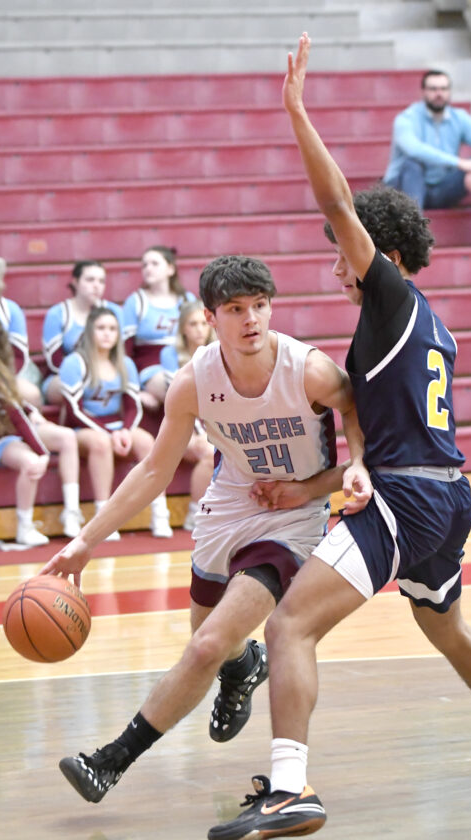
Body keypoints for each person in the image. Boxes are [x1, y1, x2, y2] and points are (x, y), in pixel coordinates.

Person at [208, 34, 471, 840]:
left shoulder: (390, 297)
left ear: (383, 253)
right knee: (446, 625)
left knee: (289, 624)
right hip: (444, 496)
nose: (335, 268)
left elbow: (336, 206)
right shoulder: (434, 326)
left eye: (345, 256)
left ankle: (290, 789)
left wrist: (295, 111)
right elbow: (388, 430)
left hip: (410, 499)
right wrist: (314, 488)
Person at [39, 254, 370, 809]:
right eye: (235, 309)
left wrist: (339, 474)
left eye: (260, 306)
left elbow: (358, 414)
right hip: (229, 506)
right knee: (215, 642)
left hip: (292, 517)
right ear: (210, 318)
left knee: (205, 645)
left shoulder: (308, 368)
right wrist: (84, 543)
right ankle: (244, 668)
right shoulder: (193, 382)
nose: (251, 320)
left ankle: (110, 762)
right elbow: (152, 470)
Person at [58, 306, 172, 541]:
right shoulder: (74, 363)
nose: (107, 334)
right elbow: (73, 411)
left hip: (117, 426)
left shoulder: (125, 363)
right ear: (89, 331)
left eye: (112, 329)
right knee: (100, 443)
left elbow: (132, 406)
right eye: (101, 328)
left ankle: (160, 512)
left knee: (147, 441)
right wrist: (110, 433)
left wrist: (126, 431)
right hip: (84, 427)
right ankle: (103, 515)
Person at [383, 69, 471, 248]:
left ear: (449, 92)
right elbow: (414, 149)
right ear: (423, 92)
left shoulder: (459, 117)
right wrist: (461, 163)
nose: (438, 94)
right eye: (433, 89)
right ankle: (415, 236)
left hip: (443, 189)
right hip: (405, 188)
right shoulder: (406, 118)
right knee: (412, 164)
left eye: (443, 89)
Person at [0, 314, 83, 546]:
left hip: (12, 428)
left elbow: (16, 408)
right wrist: (41, 451)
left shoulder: (2, 367)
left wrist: (32, 411)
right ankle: (24, 525)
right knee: (33, 462)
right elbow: (14, 415)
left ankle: (71, 512)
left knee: (66, 437)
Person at [159, 299, 216, 531]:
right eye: (193, 324)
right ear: (183, 328)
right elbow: (179, 400)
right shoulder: (170, 355)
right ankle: (195, 512)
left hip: (211, 426)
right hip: (180, 428)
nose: (200, 329)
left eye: (203, 323)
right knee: (210, 453)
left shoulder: (218, 352)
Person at [122, 245, 196, 409]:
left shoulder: (186, 299)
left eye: (155, 264)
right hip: (151, 367)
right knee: (177, 388)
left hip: (184, 360)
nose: (148, 269)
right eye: (145, 265)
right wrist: (135, 389)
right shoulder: (136, 302)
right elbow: (124, 351)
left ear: (170, 269)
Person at [42, 260, 123, 405]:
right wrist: (84, 373)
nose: (96, 285)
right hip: (63, 374)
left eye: (101, 281)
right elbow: (54, 361)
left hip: (105, 372)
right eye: (90, 280)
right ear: (75, 282)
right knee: (68, 385)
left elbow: (121, 352)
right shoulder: (58, 314)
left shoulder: (115, 312)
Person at [0, 253, 43, 406]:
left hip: (9, 373)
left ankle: (30, 425)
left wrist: (1, 379)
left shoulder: (10, 309)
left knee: (32, 394)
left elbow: (19, 354)